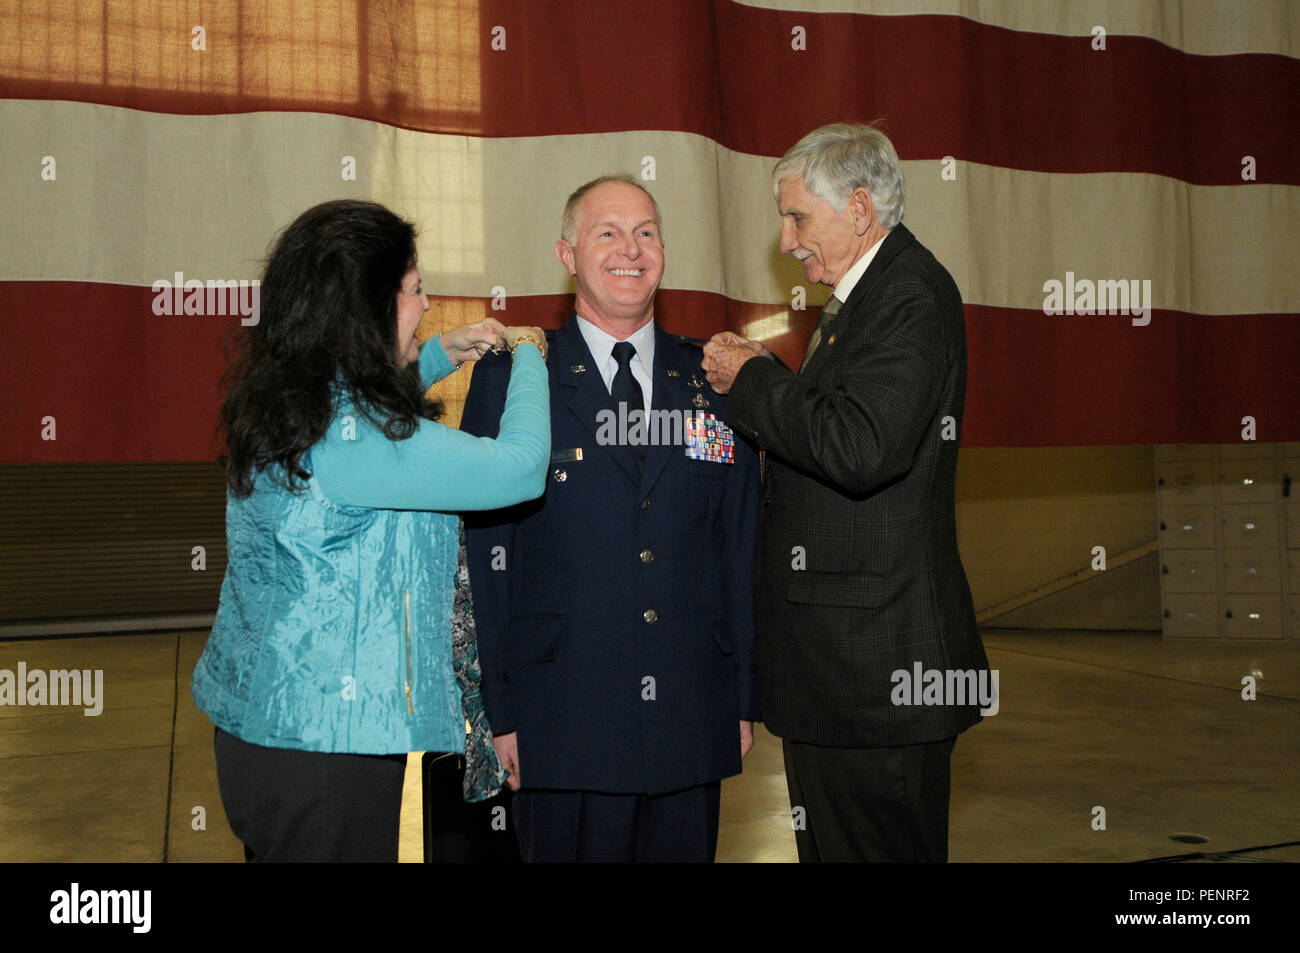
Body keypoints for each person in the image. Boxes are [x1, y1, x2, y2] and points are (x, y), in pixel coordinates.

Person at [191, 199, 551, 862]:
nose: (426, 303)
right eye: (413, 291)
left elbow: (367, 419)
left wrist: (443, 352)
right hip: (325, 755)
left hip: (272, 735)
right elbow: (521, 468)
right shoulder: (357, 441)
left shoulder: (301, 393)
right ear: (363, 308)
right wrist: (530, 357)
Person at [701, 123, 990, 862]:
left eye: (797, 215)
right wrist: (773, 377)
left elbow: (861, 447)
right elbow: (838, 422)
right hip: (846, 673)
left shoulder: (910, 294)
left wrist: (756, 380)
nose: (788, 238)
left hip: (880, 676)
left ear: (859, 208)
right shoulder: (867, 295)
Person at [461, 175, 760, 863]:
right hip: (561, 719)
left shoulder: (714, 381)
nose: (632, 249)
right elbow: (488, 556)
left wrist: (743, 692)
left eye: (647, 232)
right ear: (568, 254)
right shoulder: (515, 378)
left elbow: (738, 543)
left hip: (691, 712)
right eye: (608, 233)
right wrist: (497, 710)